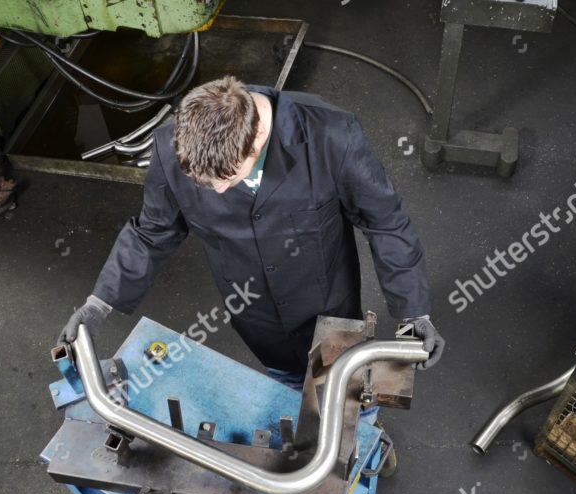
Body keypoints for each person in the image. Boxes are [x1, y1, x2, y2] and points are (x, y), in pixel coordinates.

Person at [59, 76, 444, 472]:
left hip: (329, 308)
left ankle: (366, 442)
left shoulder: (331, 136)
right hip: (256, 318)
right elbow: (154, 230)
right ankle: (311, 429)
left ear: (258, 135)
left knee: (349, 392)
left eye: (227, 178)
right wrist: (99, 302)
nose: (219, 192)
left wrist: (414, 312)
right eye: (206, 185)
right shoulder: (170, 145)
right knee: (287, 388)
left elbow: (385, 222)